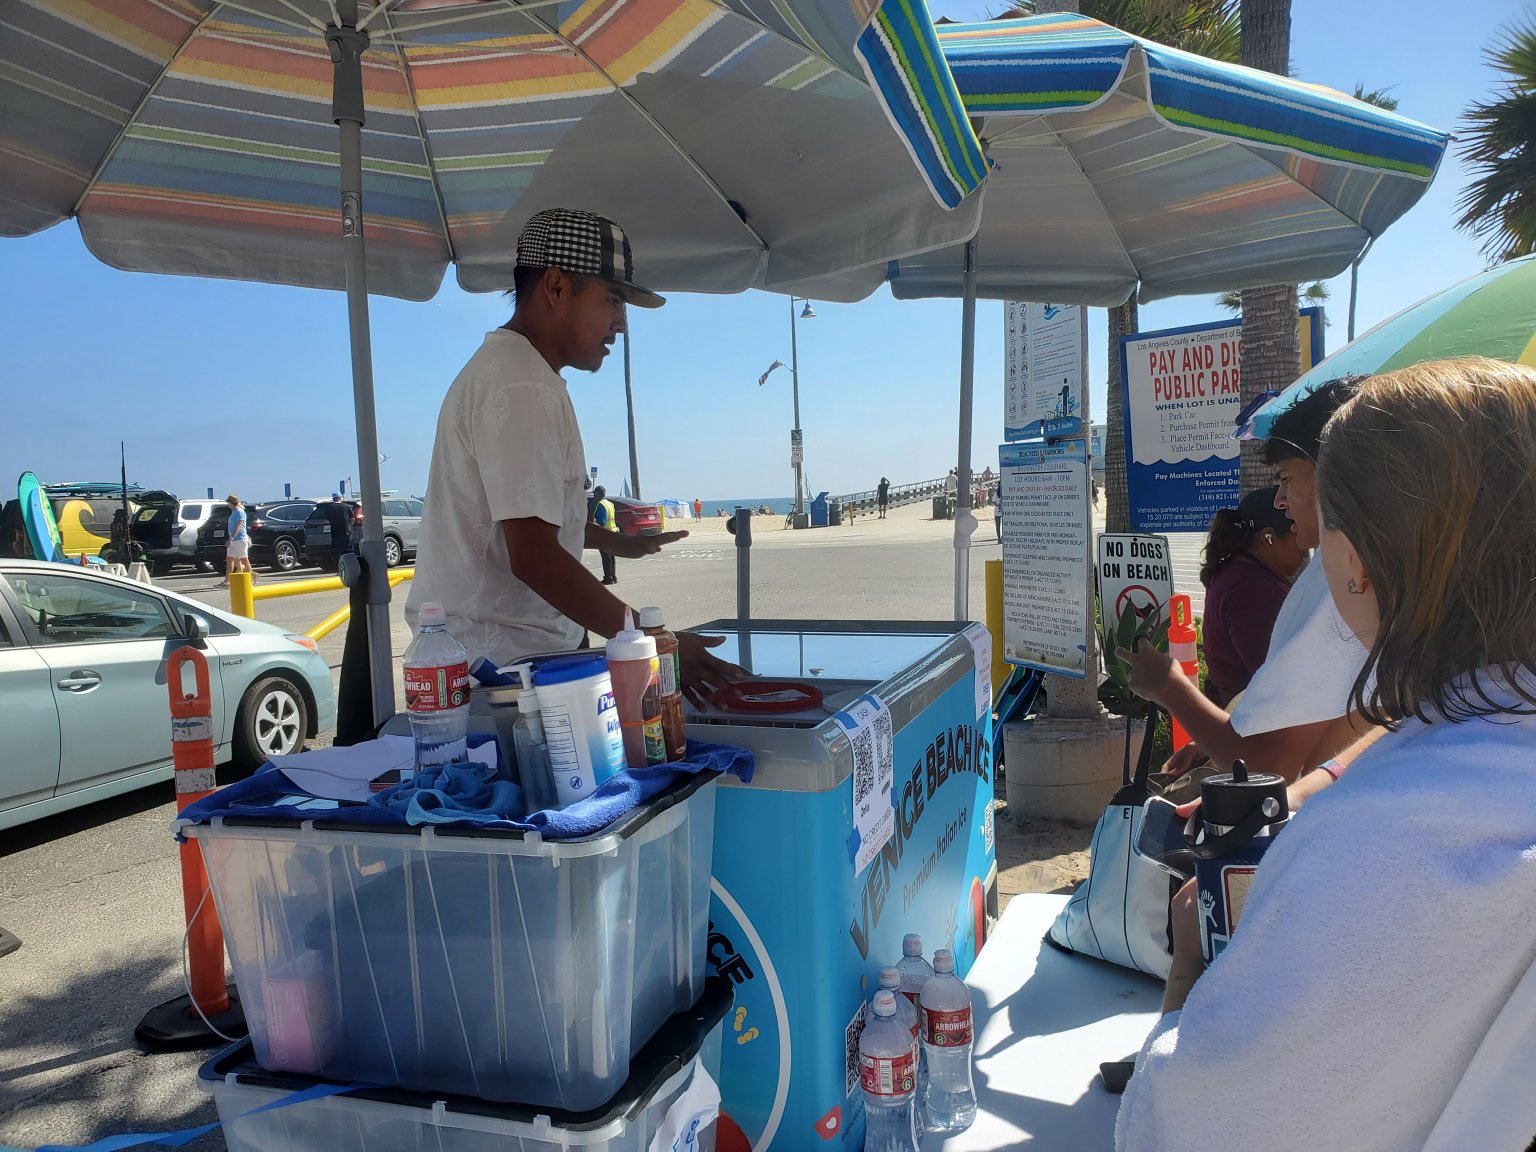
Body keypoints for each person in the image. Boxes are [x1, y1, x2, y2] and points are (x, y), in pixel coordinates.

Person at [1117, 358, 1536, 1152]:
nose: (1282, 500)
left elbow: (1187, 1125)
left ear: (1354, 562)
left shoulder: (1382, 851)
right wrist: (1330, 782)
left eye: (1298, 483)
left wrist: (1187, 975)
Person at [406, 208, 741, 698]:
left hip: (492, 662)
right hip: (503, 675)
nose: (621, 324)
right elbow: (535, 557)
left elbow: (524, 518)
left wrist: (614, 541)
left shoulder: (512, 370)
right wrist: (651, 641)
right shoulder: (523, 386)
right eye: (613, 300)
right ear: (557, 287)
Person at [1119, 378, 1372, 784]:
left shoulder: (1342, 590)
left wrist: (1170, 687)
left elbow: (1267, 764)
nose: (1280, 499)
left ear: (1332, 474)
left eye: (1287, 478)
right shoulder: (1327, 578)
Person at [1197, 486, 1308, 707]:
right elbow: (1277, 679)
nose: (1305, 545)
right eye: (1297, 532)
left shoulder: (1246, 573)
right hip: (1251, 725)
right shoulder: (1249, 590)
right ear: (1268, 537)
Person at [219, 494, 254, 587]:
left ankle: (250, 579)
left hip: (240, 539)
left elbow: (239, 526)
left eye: (228, 502)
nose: (227, 504)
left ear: (231, 503)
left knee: (244, 559)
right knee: (229, 560)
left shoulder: (239, 512)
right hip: (234, 540)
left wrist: (231, 537)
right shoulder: (234, 512)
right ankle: (227, 581)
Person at [590, 484, 619, 585]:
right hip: (613, 532)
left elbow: (601, 521)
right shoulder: (610, 504)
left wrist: (592, 522)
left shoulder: (601, 505)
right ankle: (614, 576)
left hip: (605, 534)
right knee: (611, 556)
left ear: (598, 494)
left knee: (606, 558)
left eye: (595, 494)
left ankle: (608, 578)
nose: (594, 496)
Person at [321, 494, 353, 563]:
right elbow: (352, 518)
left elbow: (326, 519)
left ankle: (339, 567)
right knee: (348, 551)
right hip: (346, 532)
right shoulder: (346, 506)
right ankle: (348, 566)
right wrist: (350, 526)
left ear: (333, 499)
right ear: (340, 498)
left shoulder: (330, 507)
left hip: (335, 533)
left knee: (337, 552)